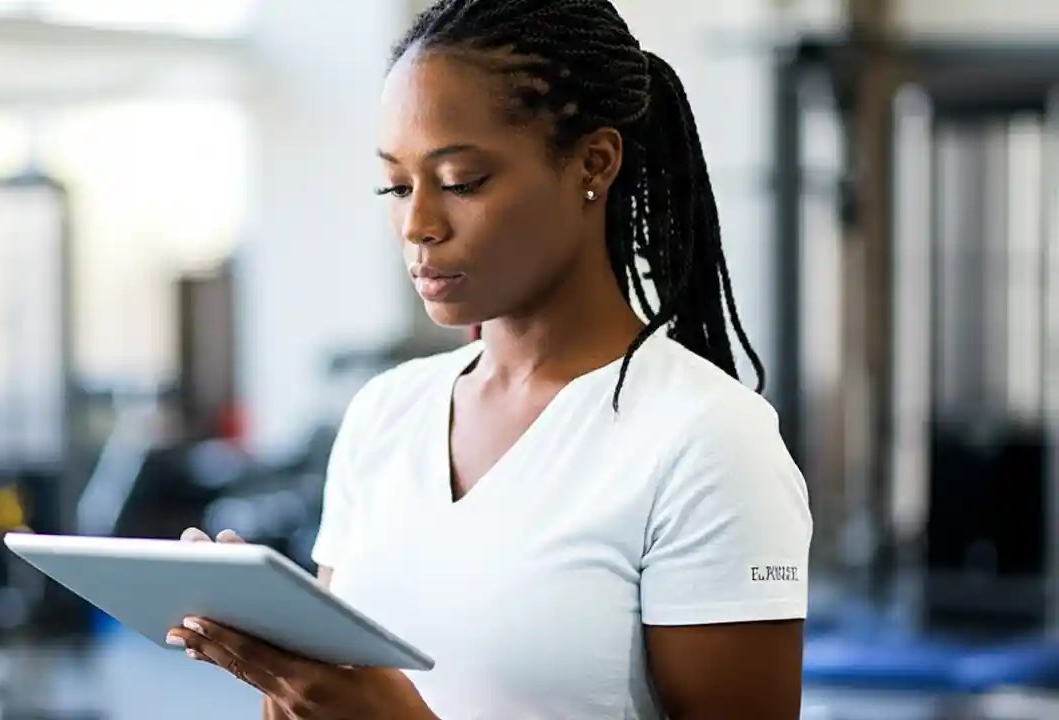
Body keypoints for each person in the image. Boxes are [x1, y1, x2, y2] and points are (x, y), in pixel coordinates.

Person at [165, 1, 813, 717]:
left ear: (593, 163)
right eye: (398, 185)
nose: (418, 226)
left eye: (461, 182)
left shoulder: (708, 440)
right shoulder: (386, 414)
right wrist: (276, 670)